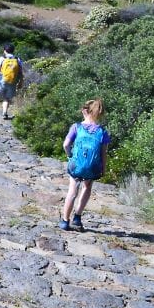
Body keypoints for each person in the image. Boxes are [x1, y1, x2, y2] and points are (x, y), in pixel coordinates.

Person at [60, 99, 109, 231]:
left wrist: (70, 155)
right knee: (87, 187)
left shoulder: (76, 127)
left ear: (85, 111)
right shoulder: (102, 132)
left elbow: (66, 145)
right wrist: (103, 169)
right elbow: (103, 153)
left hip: (76, 165)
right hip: (92, 167)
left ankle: (65, 221)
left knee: (72, 191)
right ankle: (77, 217)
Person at [0, 43, 23, 119]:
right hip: (12, 81)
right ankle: (4, 112)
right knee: (7, 98)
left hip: (1, 80)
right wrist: (21, 82)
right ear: (13, 51)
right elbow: (21, 73)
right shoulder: (17, 59)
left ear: (4, 50)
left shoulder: (2, 58)